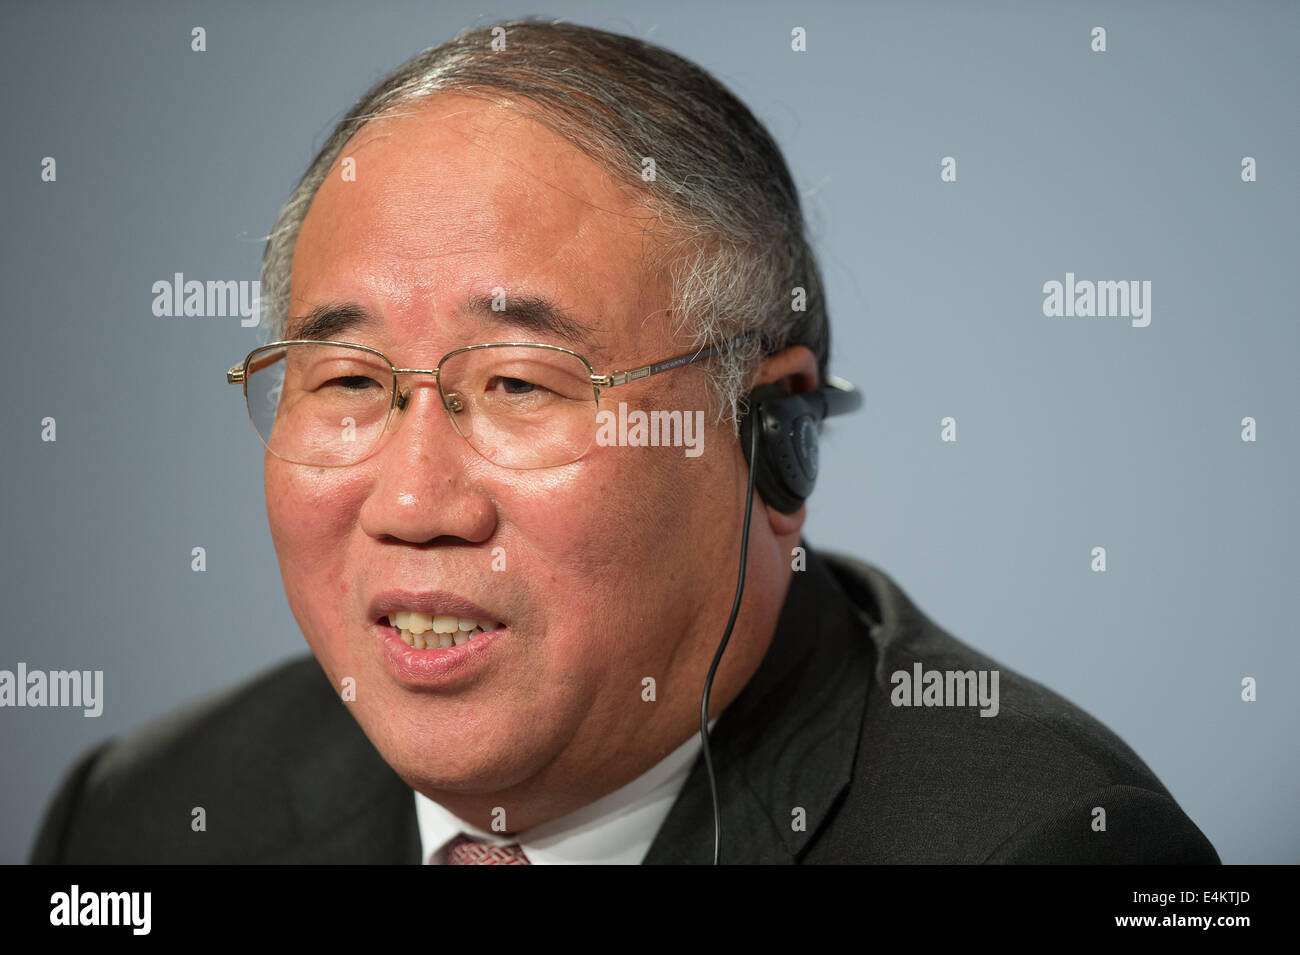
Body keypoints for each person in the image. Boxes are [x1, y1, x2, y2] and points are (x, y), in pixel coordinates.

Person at [31, 19, 1217, 865]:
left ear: (771, 441)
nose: (412, 498)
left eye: (516, 384)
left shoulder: (1051, 843)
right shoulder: (144, 814)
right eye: (347, 380)